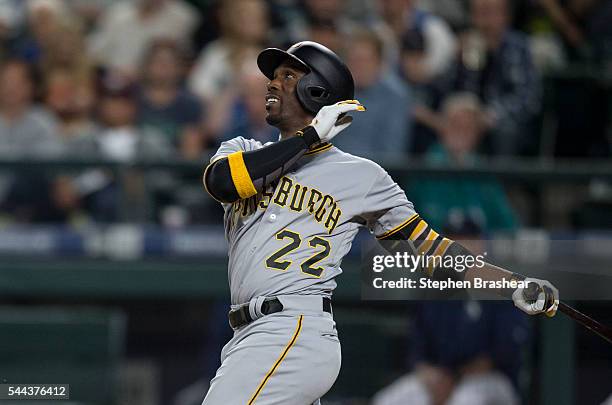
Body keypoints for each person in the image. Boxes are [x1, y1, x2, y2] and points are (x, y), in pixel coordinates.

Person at [202, 41, 559, 404]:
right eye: (274, 76)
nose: (272, 84)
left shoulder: (361, 176)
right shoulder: (242, 149)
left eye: (288, 76)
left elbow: (432, 252)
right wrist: (309, 138)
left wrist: (513, 284)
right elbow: (223, 184)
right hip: (247, 334)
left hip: (291, 328)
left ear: (317, 92)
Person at [408, 93, 518, 233]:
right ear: (443, 126)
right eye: (455, 124)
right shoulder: (423, 171)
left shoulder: (484, 175)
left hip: (478, 252)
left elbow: (509, 227)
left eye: (469, 126)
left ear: (477, 133)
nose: (462, 131)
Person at [332, 29, 412, 159]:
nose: (359, 66)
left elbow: (393, 151)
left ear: (379, 63)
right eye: (354, 60)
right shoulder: (335, 92)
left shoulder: (396, 97)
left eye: (365, 60)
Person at [88, 0, 199, 77]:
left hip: (155, 82)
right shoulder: (117, 14)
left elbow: (184, 59)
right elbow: (94, 52)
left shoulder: (182, 17)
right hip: (114, 79)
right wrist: (115, 71)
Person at [136, 40, 204, 160]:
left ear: (179, 68)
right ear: (146, 66)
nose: (163, 67)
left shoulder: (189, 103)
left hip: (173, 169)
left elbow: (192, 151)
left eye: (169, 63)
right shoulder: (132, 98)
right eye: (158, 62)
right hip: (137, 164)